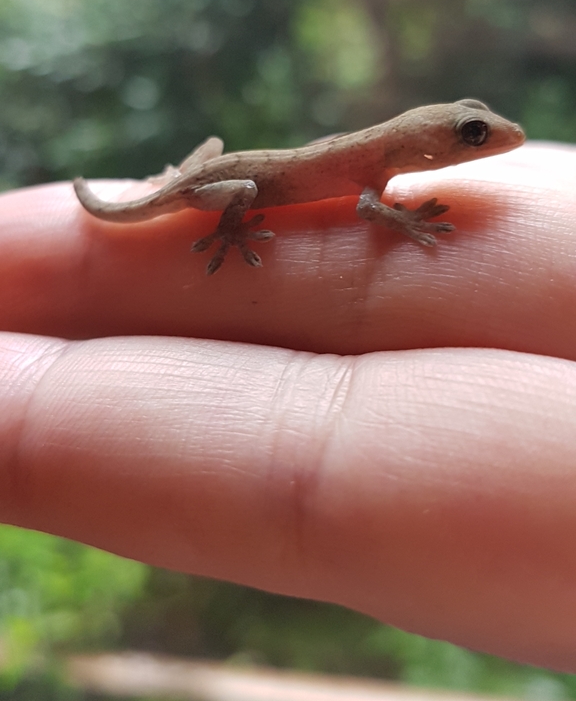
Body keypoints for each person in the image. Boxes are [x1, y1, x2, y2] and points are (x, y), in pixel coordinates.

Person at [0, 142, 574, 671]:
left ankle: (184, 177)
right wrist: (401, 219)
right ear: (422, 140)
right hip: (203, 195)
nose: (493, 139)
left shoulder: (380, 156)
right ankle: (212, 212)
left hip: (199, 178)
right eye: (471, 134)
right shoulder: (376, 167)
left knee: (225, 165)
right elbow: (371, 212)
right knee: (245, 191)